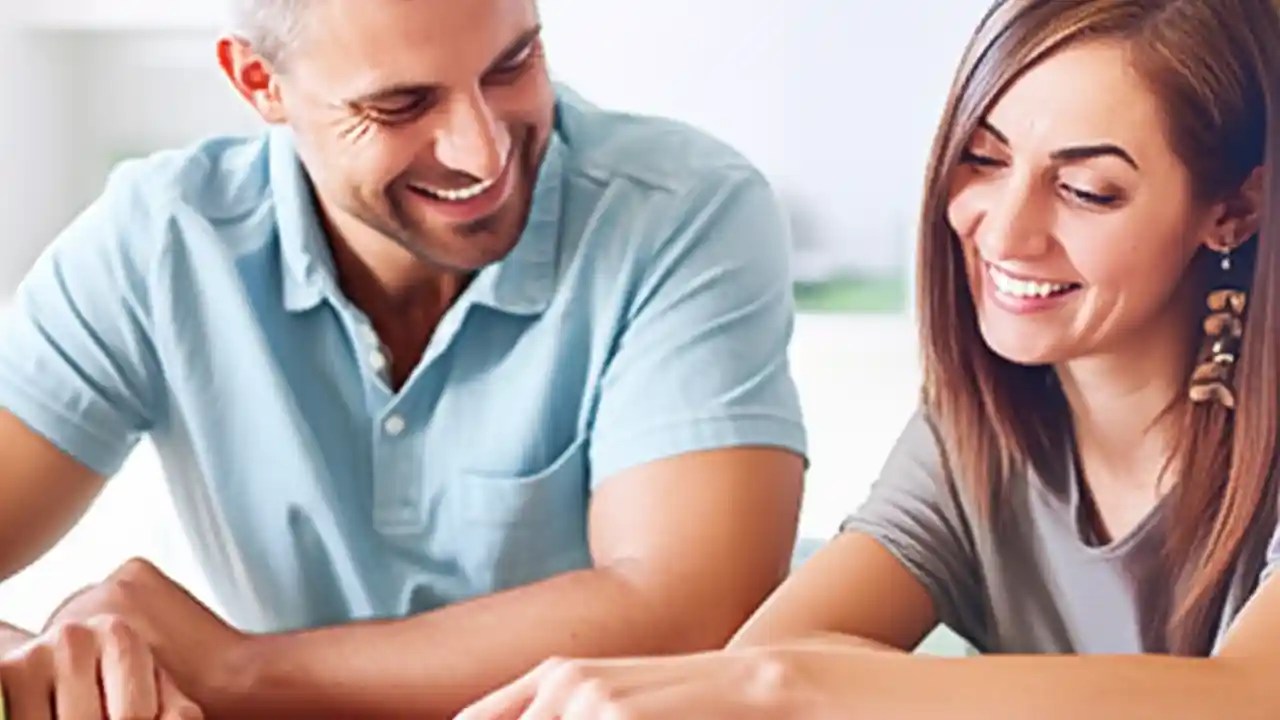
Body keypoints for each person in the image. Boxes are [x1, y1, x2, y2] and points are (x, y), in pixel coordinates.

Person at [458, 0, 1280, 717]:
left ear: (1235, 209)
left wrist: (801, 687)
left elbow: (1252, 698)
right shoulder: (977, 430)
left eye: (1087, 190)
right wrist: (782, 682)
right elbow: (769, 659)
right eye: (984, 160)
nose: (1002, 232)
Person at [0, 0, 808, 717]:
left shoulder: (682, 212)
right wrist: (45, 663)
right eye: (400, 104)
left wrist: (238, 671)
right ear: (260, 84)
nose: (481, 152)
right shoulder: (161, 239)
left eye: (513, 64)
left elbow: (692, 610)